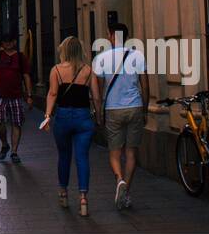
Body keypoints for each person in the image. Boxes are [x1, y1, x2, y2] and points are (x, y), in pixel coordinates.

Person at [44, 36, 101, 216]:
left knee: (64, 156)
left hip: (62, 117)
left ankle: (63, 192)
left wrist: (47, 116)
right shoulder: (88, 70)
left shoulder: (56, 70)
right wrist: (99, 116)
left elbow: (53, 94)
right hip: (83, 117)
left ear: (64, 51)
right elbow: (96, 97)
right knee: (82, 157)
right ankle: (83, 198)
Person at [93, 24, 148, 209]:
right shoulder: (137, 56)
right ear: (126, 36)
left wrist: (99, 112)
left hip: (113, 109)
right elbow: (145, 86)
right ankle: (126, 192)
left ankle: (119, 180)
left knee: (115, 152)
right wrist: (145, 109)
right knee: (131, 152)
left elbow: (99, 91)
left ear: (110, 36)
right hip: (135, 107)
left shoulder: (101, 58)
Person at [0, 34, 32, 163]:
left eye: (9, 41)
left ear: (14, 42)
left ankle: (14, 151)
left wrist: (29, 95)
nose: (7, 44)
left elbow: (26, 76)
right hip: (0, 95)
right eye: (5, 41)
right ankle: (5, 143)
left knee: (16, 123)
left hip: (16, 96)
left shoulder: (20, 57)